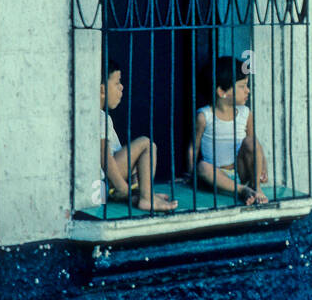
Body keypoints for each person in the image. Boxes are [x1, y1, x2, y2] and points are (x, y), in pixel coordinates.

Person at [100, 58, 178, 212]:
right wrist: (122, 187)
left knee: (140, 165)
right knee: (146, 145)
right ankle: (146, 199)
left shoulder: (97, 115)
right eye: (117, 83)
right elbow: (103, 155)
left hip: (104, 185)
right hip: (106, 180)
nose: (121, 87)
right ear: (102, 90)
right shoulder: (99, 117)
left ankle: (143, 194)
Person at [192, 55, 269, 205]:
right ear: (221, 92)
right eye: (242, 86)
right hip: (217, 175)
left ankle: (256, 188)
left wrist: (263, 169)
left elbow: (254, 146)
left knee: (250, 141)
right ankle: (241, 190)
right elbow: (193, 147)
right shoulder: (204, 116)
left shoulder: (245, 113)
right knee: (202, 167)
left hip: (241, 171)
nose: (248, 91)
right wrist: (190, 175)